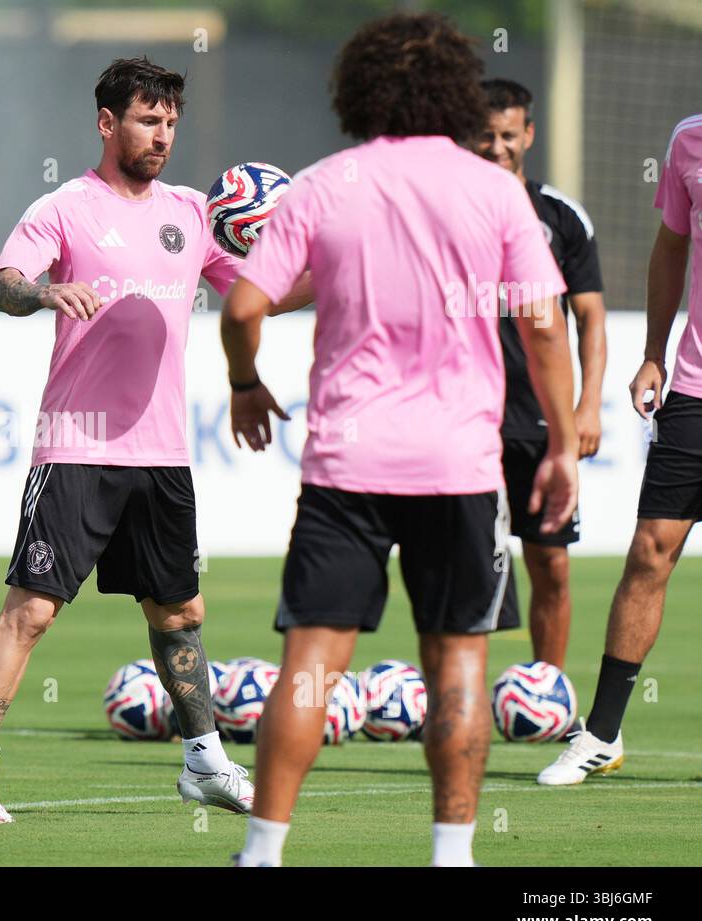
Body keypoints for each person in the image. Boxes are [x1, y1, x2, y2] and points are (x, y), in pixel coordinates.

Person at [221, 13, 576, 866]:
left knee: (311, 664)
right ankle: (452, 854)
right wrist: (563, 443)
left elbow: (241, 307)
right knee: (456, 660)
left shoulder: (323, 183)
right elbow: (545, 328)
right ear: (455, 93)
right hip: (459, 465)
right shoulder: (496, 192)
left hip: (348, 463)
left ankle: (263, 852)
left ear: (359, 91)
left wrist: (244, 383)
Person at [0, 56, 309, 825]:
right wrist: (45, 290)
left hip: (162, 452)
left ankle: (204, 761)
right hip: (77, 446)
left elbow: (255, 296)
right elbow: (1, 283)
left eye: (171, 121)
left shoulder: (190, 211)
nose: (162, 134)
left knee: (179, 614)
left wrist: (337, 270)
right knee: (32, 610)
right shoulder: (65, 208)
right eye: (147, 119)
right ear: (107, 123)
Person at [538, 111, 701, 786]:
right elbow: (671, 248)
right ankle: (600, 734)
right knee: (649, 551)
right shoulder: (689, 139)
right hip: (695, 387)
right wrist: (654, 355)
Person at [478, 78, 608, 670]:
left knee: (550, 563)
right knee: (469, 567)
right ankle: (465, 704)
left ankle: (548, 693)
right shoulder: (448, 213)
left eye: (509, 134)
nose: (498, 146)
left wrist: (586, 407)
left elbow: (590, 318)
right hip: (470, 420)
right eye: (486, 134)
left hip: (539, 419)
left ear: (529, 133)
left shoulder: (560, 216)